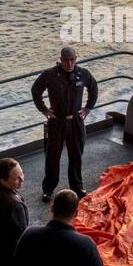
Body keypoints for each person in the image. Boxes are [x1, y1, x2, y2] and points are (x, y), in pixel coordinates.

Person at [30, 46, 99, 200]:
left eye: (72, 59)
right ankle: (48, 189)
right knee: (52, 156)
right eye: (66, 60)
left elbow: (93, 88)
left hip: (75, 121)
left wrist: (87, 108)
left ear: (76, 58)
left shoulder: (83, 74)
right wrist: (43, 109)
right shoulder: (50, 75)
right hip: (57, 122)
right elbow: (35, 90)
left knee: (76, 155)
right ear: (61, 59)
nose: (69, 63)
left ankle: (77, 186)